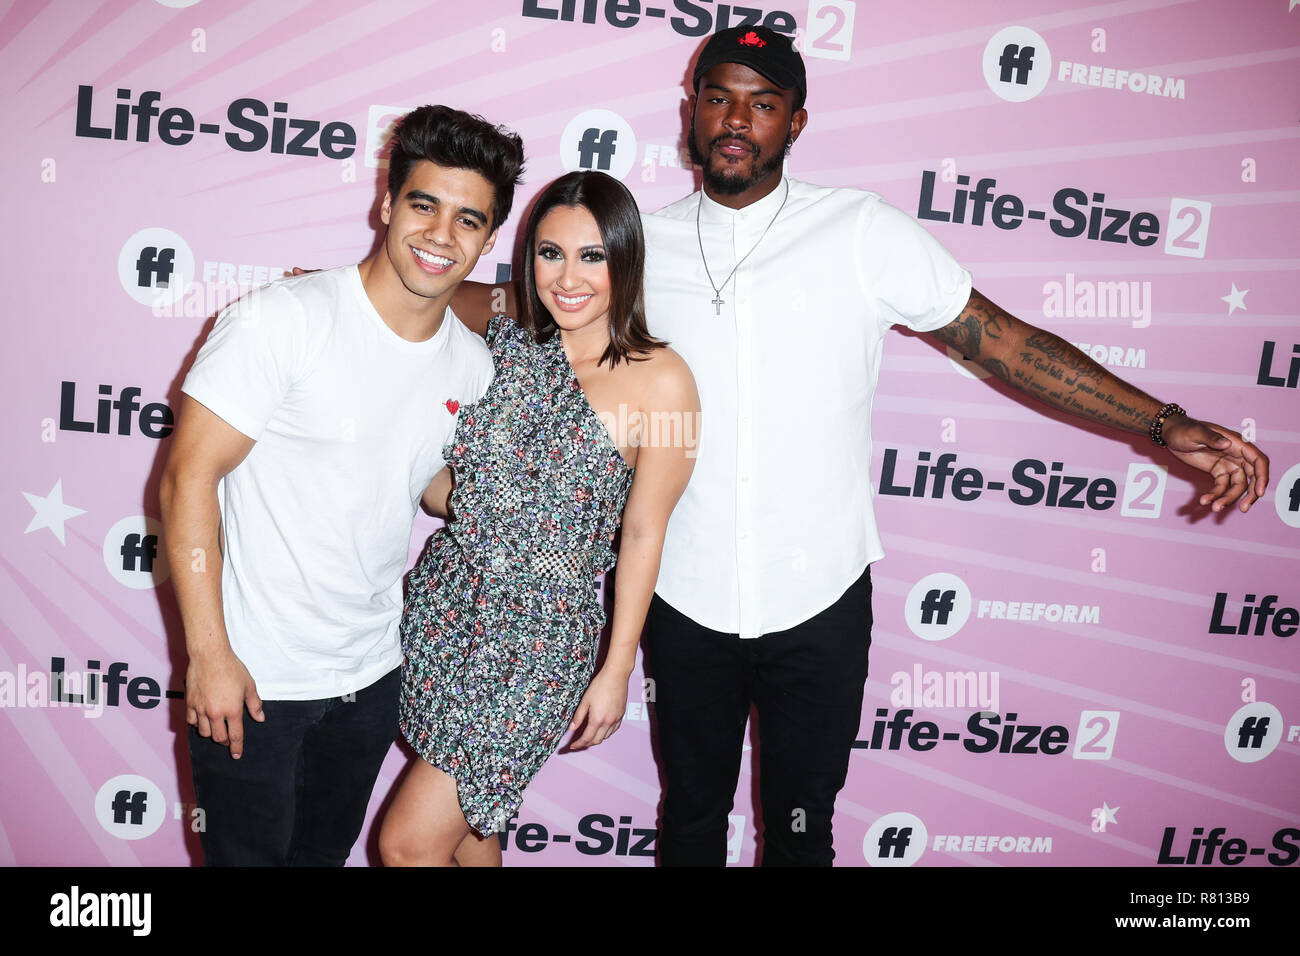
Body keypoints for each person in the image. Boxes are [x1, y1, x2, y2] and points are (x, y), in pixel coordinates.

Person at [454, 26, 1268, 867]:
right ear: (691, 112)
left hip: (820, 596)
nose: (737, 119)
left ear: (796, 123)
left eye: (762, 103)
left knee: (803, 829)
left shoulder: (860, 230)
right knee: (691, 821)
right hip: (683, 594)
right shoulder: (632, 248)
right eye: (719, 97)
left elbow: (1004, 343)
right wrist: (349, 297)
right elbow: (501, 304)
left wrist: (1163, 425)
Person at [159, 104, 524, 866]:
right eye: (423, 205)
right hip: (255, 675)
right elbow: (187, 479)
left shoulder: (471, 364)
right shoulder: (282, 321)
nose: (439, 235)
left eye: (467, 221)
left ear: (488, 242)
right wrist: (209, 655)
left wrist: (526, 510)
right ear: (386, 205)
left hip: (370, 675)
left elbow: (424, 479)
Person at [378, 171, 699, 867]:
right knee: (472, 834)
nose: (569, 277)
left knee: (406, 846)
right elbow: (450, 480)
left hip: (542, 638)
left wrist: (615, 669)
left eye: (593, 256)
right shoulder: (505, 346)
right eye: (551, 253)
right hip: (450, 608)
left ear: (625, 259)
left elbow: (645, 533)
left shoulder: (662, 378)